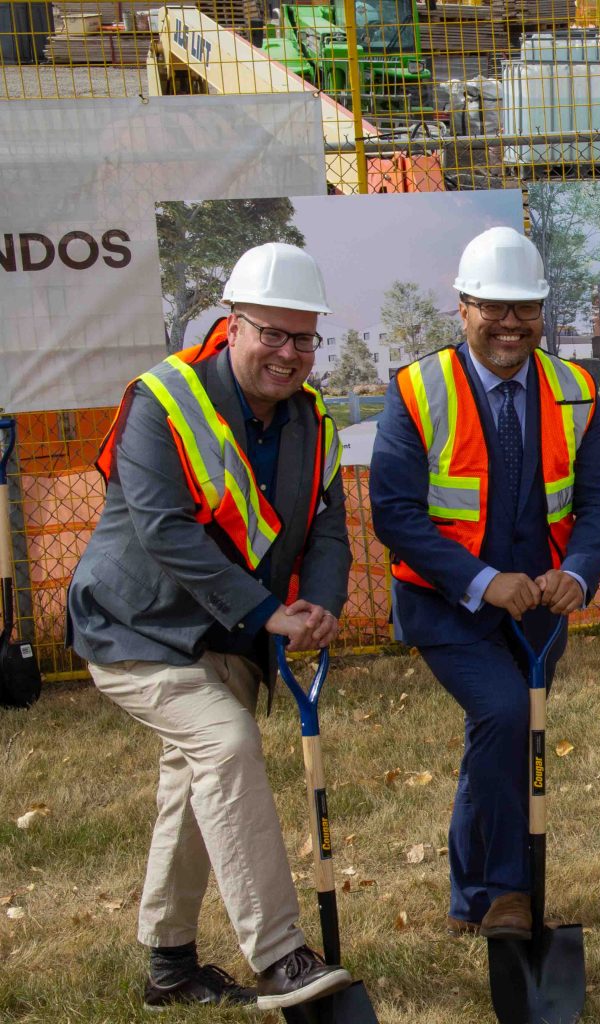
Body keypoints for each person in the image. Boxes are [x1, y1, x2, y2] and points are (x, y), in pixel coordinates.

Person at [68, 243, 353, 1011]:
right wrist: (268, 613)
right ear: (232, 325)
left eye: (304, 338)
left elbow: (327, 525)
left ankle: (170, 963)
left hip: (224, 635)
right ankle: (281, 954)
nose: (290, 355)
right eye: (273, 333)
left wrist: (320, 603)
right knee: (225, 745)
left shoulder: (312, 421)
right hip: (135, 626)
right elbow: (166, 531)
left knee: (194, 780)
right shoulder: (161, 403)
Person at [369, 227, 600, 939]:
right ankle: (508, 894)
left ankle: (466, 897)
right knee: (509, 717)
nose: (511, 324)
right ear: (463, 308)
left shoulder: (573, 390)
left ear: (543, 311)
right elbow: (395, 512)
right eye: (494, 308)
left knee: (498, 735)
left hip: (541, 610)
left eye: (526, 309)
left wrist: (577, 572)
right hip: (444, 606)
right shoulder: (417, 391)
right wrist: (483, 581)